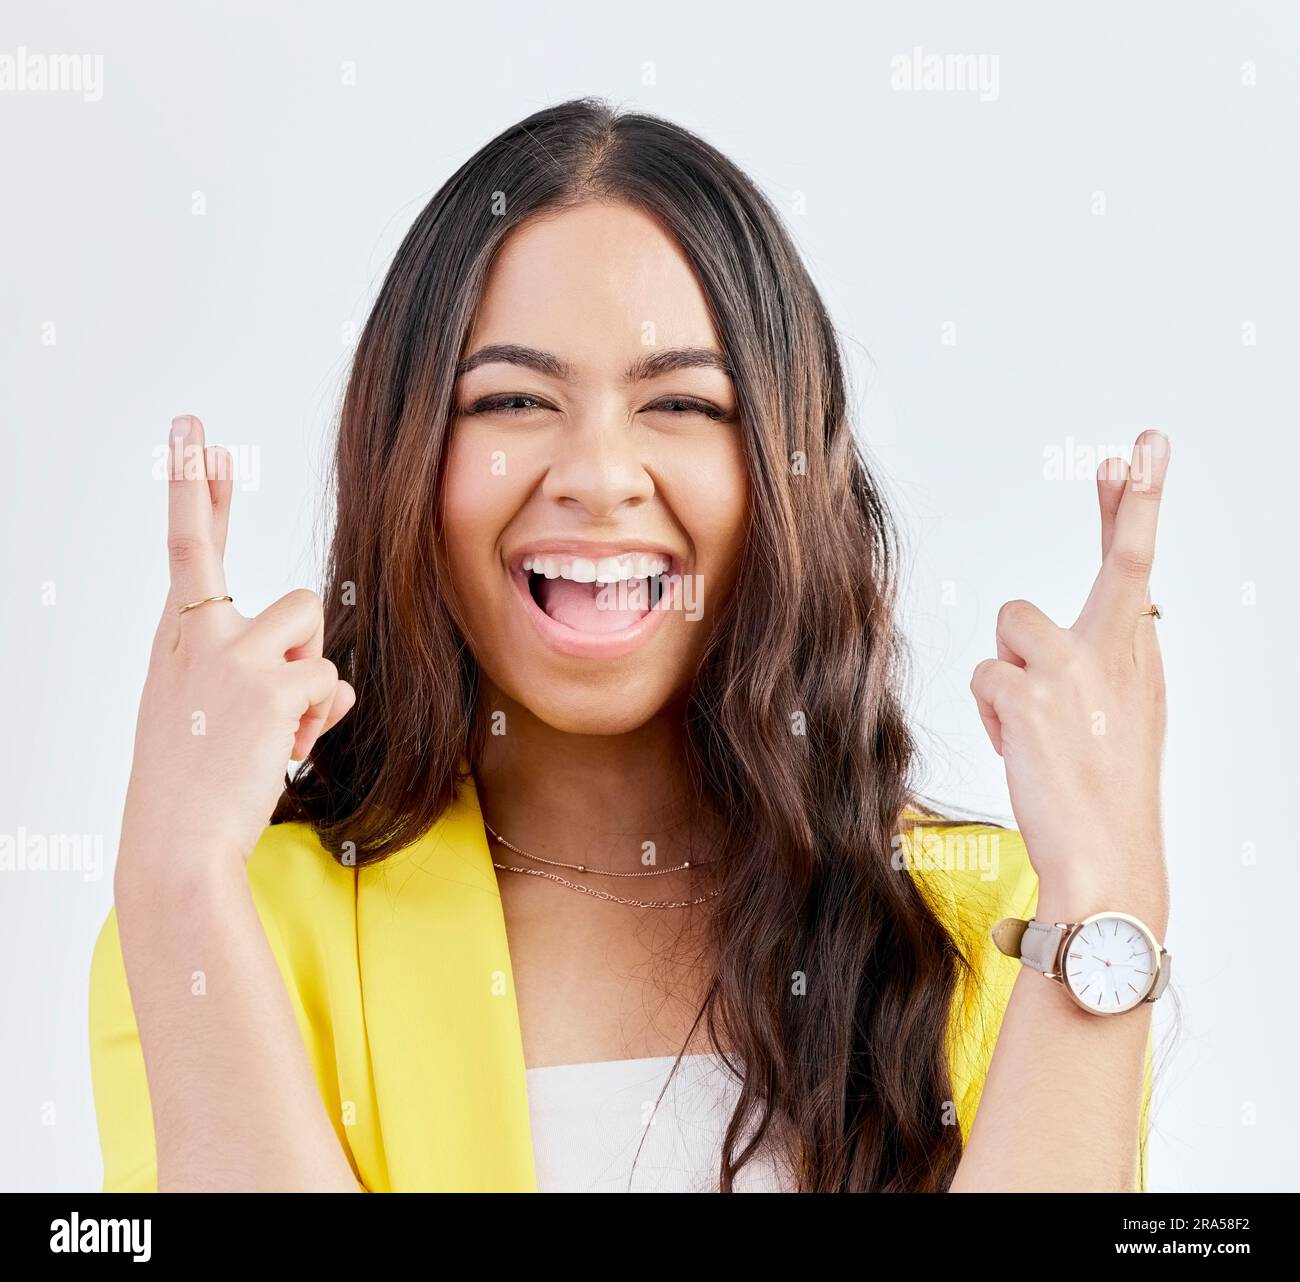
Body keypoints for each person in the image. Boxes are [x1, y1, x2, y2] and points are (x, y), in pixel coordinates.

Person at [89, 98, 1169, 1193]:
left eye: (682, 403)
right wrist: (175, 872)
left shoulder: (1005, 925)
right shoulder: (231, 919)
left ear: (786, 474)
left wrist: (1109, 877)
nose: (598, 475)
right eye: (511, 398)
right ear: (406, 455)